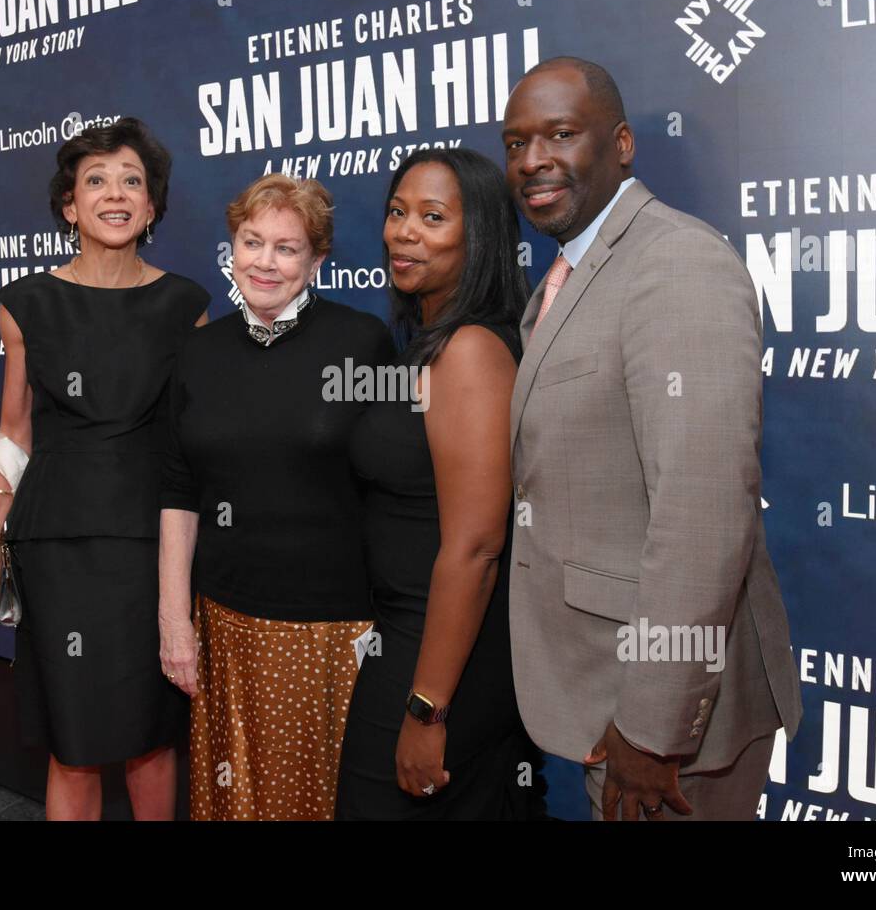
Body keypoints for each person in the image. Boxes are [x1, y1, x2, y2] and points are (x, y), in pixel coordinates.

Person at [501, 57, 803, 821]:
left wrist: (655, 726)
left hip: (667, 730)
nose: (532, 159)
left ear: (623, 143)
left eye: (560, 134)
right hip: (600, 692)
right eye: (515, 142)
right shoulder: (568, 277)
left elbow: (702, 515)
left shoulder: (675, 263)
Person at [0, 117, 209, 820]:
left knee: (150, 738)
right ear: (69, 205)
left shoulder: (186, 307)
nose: (115, 193)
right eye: (96, 180)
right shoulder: (26, 304)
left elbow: (185, 442)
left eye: (132, 181)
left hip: (149, 546)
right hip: (57, 544)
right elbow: (14, 431)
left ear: (152, 206)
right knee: (72, 744)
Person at [158, 173, 394, 820]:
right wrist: (174, 619)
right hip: (224, 621)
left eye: (286, 248)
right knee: (235, 799)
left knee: (314, 803)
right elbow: (179, 490)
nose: (264, 261)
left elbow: (392, 489)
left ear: (317, 260)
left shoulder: (361, 342)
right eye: (251, 241)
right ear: (231, 245)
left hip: (327, 626)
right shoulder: (199, 352)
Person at [335, 148, 544, 820]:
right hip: (417, 638)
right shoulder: (432, 339)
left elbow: (478, 547)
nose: (404, 231)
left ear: (478, 235)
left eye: (432, 217)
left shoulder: (471, 352)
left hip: (440, 655)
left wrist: (427, 709)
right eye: (397, 212)